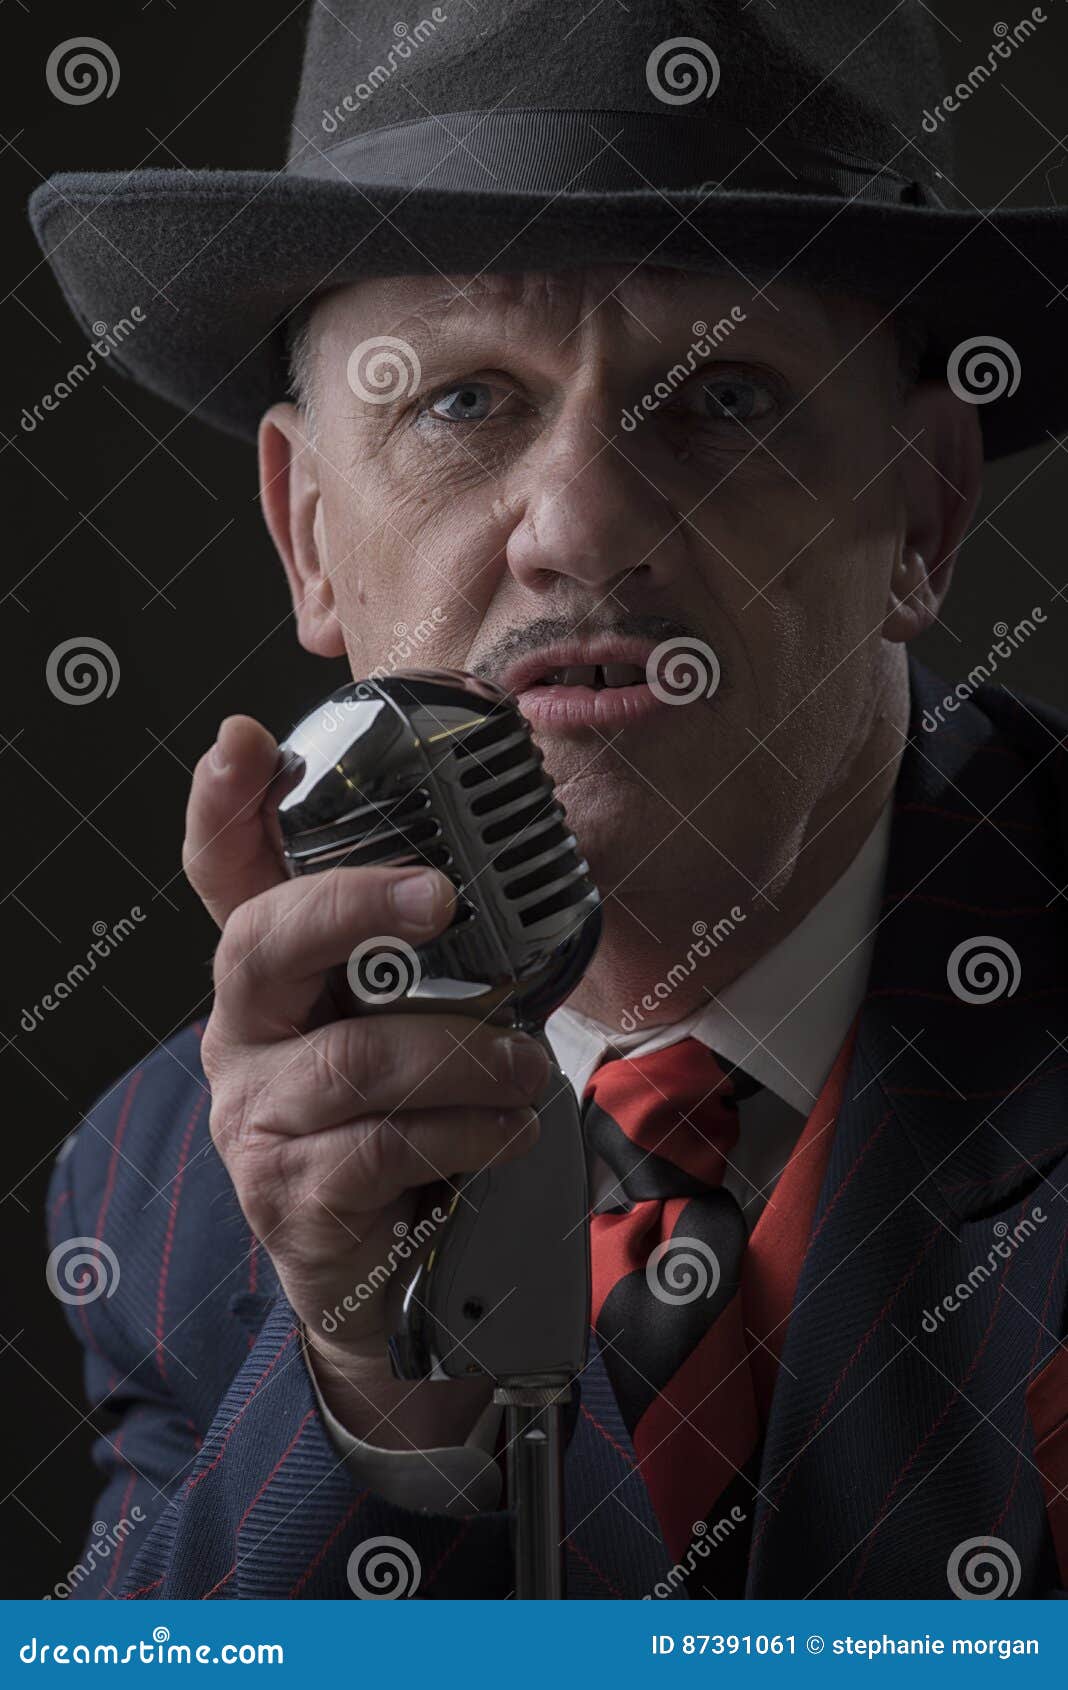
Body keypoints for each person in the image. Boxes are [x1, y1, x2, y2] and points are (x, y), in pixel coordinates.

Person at [31, 0, 1068, 1599]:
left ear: (923, 514)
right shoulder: (171, 1184)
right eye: (463, 401)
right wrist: (380, 1397)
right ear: (308, 533)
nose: (579, 525)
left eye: (723, 397)